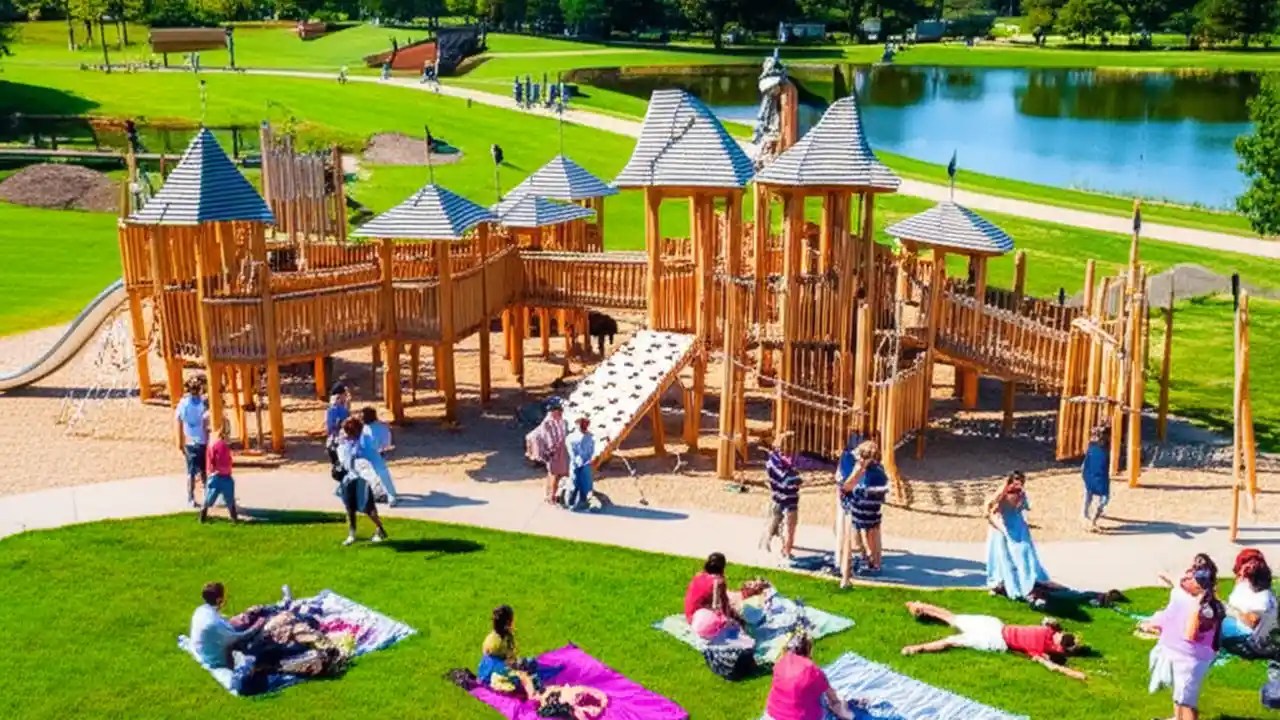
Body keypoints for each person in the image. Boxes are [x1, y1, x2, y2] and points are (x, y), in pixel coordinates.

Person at [900, 601, 1085, 681]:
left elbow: (1052, 623)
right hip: (995, 637)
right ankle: (916, 646)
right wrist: (1073, 673)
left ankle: (919, 607)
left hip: (995, 628)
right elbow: (1051, 666)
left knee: (953, 621)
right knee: (953, 639)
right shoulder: (1040, 648)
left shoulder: (1048, 631)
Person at [1142, 563, 1225, 720]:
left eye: (1190, 577)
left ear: (1198, 586)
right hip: (1179, 653)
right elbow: (1175, 587)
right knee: (1179, 696)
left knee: (1186, 701)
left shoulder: (1205, 609)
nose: (1185, 578)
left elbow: (1190, 635)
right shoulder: (1184, 596)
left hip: (1191, 659)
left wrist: (1195, 610)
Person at [985, 471, 1051, 603]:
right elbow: (990, 510)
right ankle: (1005, 584)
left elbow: (1023, 508)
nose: (1019, 485)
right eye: (1016, 483)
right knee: (1004, 557)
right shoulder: (1002, 493)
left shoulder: (1021, 493)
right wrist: (999, 525)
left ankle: (1027, 582)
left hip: (1018, 526)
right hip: (1005, 527)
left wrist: (1020, 500)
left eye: (1021, 482)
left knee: (1025, 554)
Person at [765, 633, 855, 720]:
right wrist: (846, 711)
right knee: (835, 703)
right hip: (803, 717)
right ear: (808, 650)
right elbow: (833, 699)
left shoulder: (781, 663)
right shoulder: (812, 671)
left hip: (774, 714)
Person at [334, 416, 388, 546]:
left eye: (345, 431)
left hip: (361, 480)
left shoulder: (361, 444)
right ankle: (352, 534)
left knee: (368, 507)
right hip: (348, 479)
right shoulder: (344, 442)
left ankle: (380, 529)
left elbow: (367, 460)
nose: (343, 433)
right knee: (349, 507)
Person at [839, 440, 889, 579]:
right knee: (873, 534)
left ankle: (869, 560)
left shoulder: (863, 471)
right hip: (873, 510)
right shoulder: (879, 470)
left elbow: (847, 487)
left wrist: (858, 470)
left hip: (863, 509)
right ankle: (875, 562)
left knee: (864, 536)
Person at [190, 582, 264, 669]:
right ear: (219, 600)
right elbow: (240, 637)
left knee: (242, 623)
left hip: (203, 649)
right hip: (215, 659)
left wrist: (233, 620)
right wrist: (256, 626)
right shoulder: (215, 623)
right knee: (255, 643)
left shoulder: (200, 610)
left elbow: (220, 622)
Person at [684, 552, 751, 643]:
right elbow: (721, 607)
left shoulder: (700, 575)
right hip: (699, 619)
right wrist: (738, 619)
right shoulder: (718, 582)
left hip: (690, 613)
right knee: (735, 624)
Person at [1224, 549, 1279, 659]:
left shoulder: (1262, 596)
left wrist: (1230, 611)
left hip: (1249, 638)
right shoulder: (1244, 584)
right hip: (1240, 627)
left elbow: (1252, 622)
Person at [478, 605, 539, 696]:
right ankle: (533, 696)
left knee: (530, 663)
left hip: (494, 668)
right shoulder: (496, 643)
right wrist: (516, 667)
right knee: (525, 677)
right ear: (508, 622)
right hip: (494, 671)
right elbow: (504, 662)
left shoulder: (498, 636)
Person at [761, 436, 801, 560]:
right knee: (787, 527)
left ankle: (781, 548)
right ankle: (784, 551)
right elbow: (787, 479)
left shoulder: (775, 460)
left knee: (778, 524)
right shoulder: (777, 463)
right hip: (785, 498)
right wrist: (797, 478)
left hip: (780, 498)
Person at [176, 376, 210, 507]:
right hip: (202, 439)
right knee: (203, 470)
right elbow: (206, 421)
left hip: (189, 440)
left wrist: (179, 441)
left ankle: (191, 497)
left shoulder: (183, 403)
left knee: (190, 471)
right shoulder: (203, 403)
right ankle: (207, 496)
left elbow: (179, 420)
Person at [531, 397, 569, 505]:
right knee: (553, 474)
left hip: (560, 452)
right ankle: (550, 496)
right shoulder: (548, 423)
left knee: (557, 474)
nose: (561, 412)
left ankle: (552, 494)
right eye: (559, 410)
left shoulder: (560, 421)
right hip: (552, 453)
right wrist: (550, 450)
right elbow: (548, 438)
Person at [359, 407, 399, 506]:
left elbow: (386, 443)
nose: (361, 418)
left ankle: (391, 495)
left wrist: (382, 450)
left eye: (363, 416)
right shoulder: (362, 427)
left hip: (376, 454)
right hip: (362, 455)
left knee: (383, 473)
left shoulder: (382, 427)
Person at [200, 428, 240, 524]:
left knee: (212, 498)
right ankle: (233, 518)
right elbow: (216, 460)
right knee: (227, 498)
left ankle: (203, 515)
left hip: (219, 475)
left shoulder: (216, 445)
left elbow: (211, 461)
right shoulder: (219, 446)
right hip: (221, 476)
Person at [1081, 426, 1110, 531]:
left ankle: (1090, 518)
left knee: (1093, 497)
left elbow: (1085, 463)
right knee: (1099, 498)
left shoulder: (1096, 448)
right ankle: (1089, 518)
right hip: (1096, 475)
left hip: (1098, 475)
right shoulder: (1095, 448)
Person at [566, 415, 595, 510]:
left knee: (584, 484)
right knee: (575, 483)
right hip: (577, 463)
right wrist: (577, 460)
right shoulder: (572, 437)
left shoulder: (589, 437)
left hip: (585, 463)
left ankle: (582, 502)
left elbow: (591, 450)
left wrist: (587, 459)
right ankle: (571, 503)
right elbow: (571, 450)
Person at [324, 385, 350, 467]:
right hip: (339, 439)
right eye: (345, 395)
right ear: (339, 396)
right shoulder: (334, 408)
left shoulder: (337, 407)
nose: (346, 397)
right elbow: (334, 425)